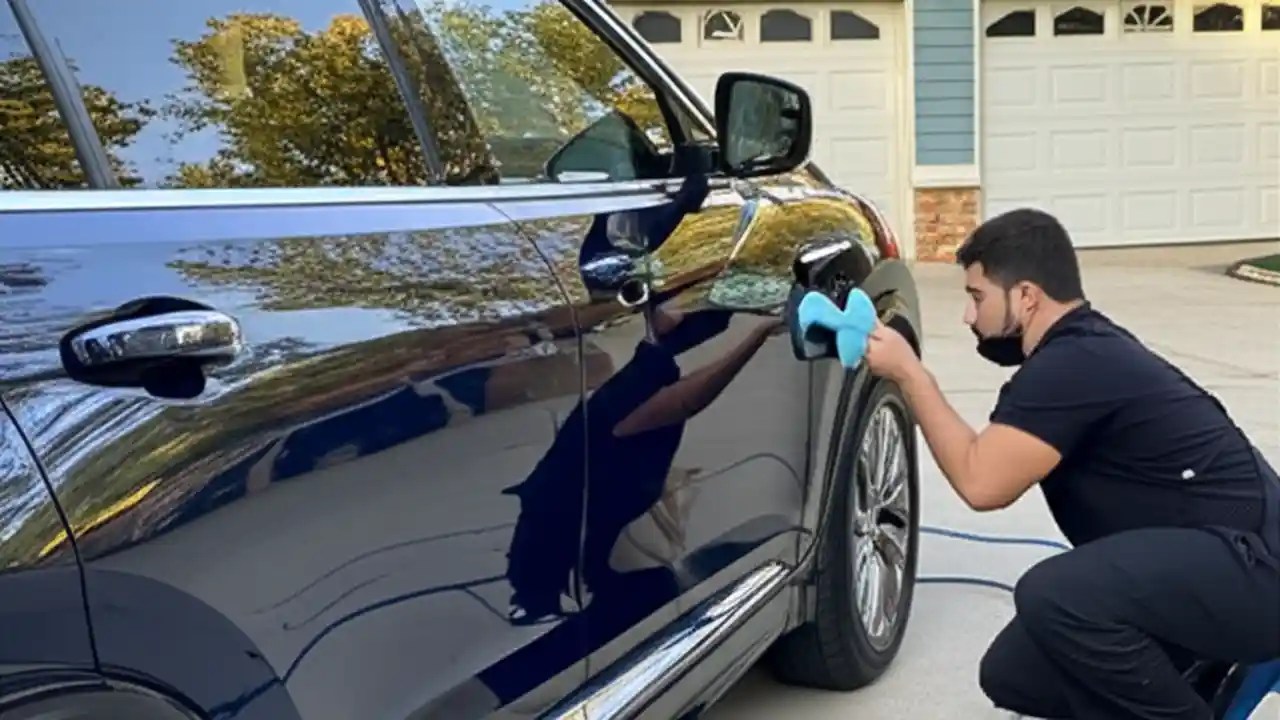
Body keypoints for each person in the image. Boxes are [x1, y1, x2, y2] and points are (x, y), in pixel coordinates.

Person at [861, 207, 1280, 719]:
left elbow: (981, 483)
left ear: (1026, 295)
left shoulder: (1074, 364)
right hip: (1216, 568)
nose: (969, 318)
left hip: (1258, 573)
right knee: (1015, 671)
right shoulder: (1079, 353)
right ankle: (1204, 681)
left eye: (976, 298)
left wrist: (911, 375)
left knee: (1054, 594)